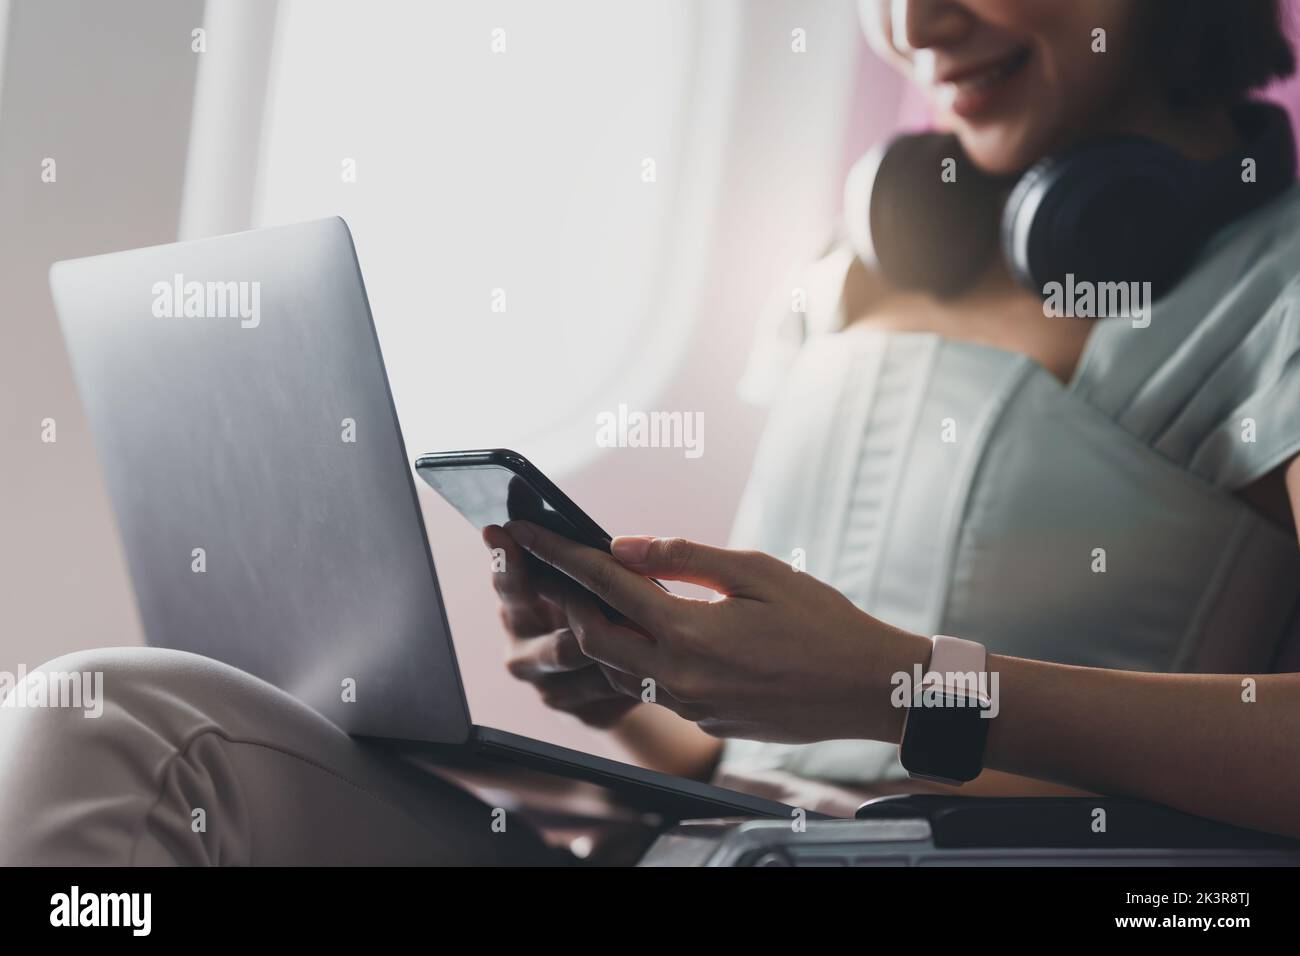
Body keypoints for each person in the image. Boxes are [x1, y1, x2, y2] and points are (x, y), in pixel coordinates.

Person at [1, 0, 1297, 864]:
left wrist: (903, 682)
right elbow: (744, 748)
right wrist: (627, 687)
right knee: (110, 719)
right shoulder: (858, 257)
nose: (912, 24)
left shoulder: (1275, 284)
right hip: (719, 832)